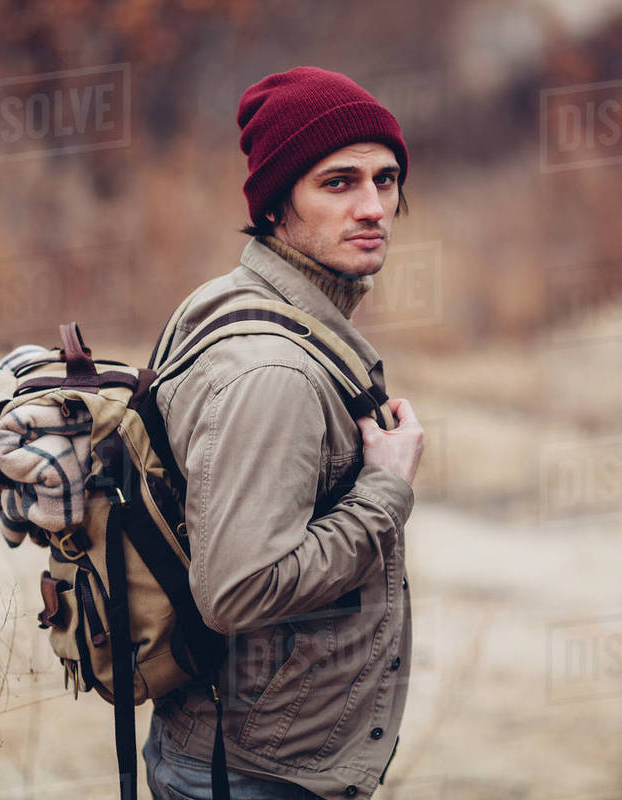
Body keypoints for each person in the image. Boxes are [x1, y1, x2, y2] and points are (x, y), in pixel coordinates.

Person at [143, 66, 425, 800]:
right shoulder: (275, 373)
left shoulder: (233, 299)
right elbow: (238, 591)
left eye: (385, 179)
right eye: (338, 183)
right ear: (275, 204)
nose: (373, 207)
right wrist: (385, 491)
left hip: (234, 754)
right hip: (252, 775)